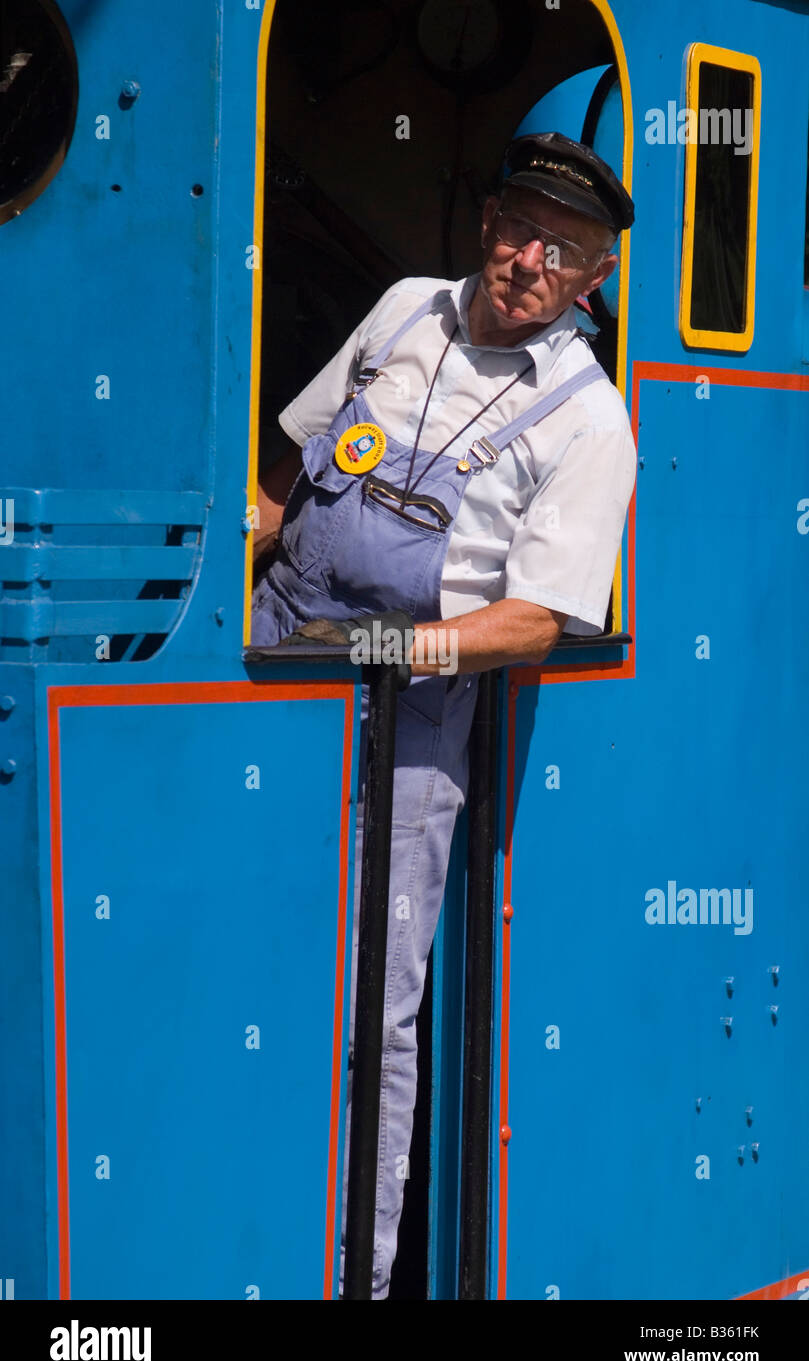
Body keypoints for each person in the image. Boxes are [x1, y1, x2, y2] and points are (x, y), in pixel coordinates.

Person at [251, 131, 637, 1298]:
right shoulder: (404, 307)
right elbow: (283, 479)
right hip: (268, 670)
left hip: (408, 723)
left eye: (559, 251)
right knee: (255, 964)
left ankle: (354, 1278)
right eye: (518, 227)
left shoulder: (588, 420)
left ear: (591, 281)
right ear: (486, 220)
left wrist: (395, 648)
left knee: (375, 1010)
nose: (526, 259)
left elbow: (539, 620)